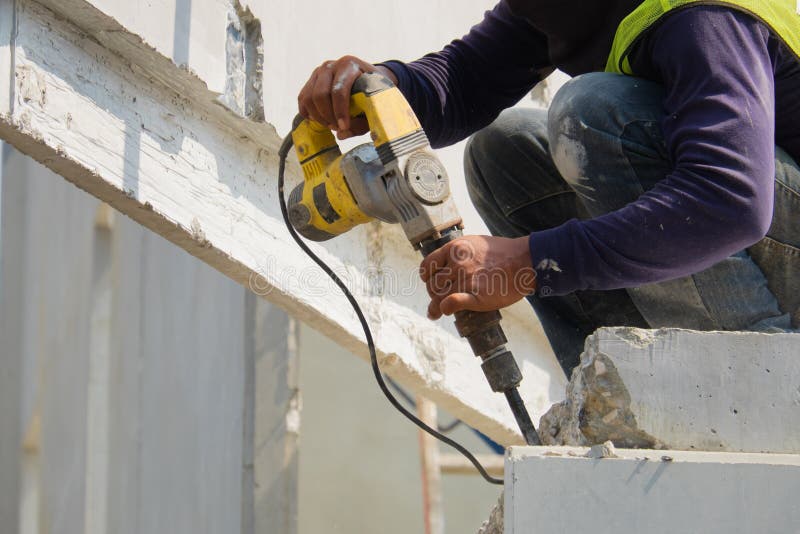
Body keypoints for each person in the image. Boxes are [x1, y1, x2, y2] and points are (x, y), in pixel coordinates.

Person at [298, 0, 800, 374]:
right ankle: (612, 391)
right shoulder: (565, 6)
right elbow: (467, 79)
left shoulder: (702, 15)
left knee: (594, 115)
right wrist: (378, 85)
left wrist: (530, 261)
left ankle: (753, 371)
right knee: (505, 149)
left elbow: (729, 200)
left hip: (761, 233)